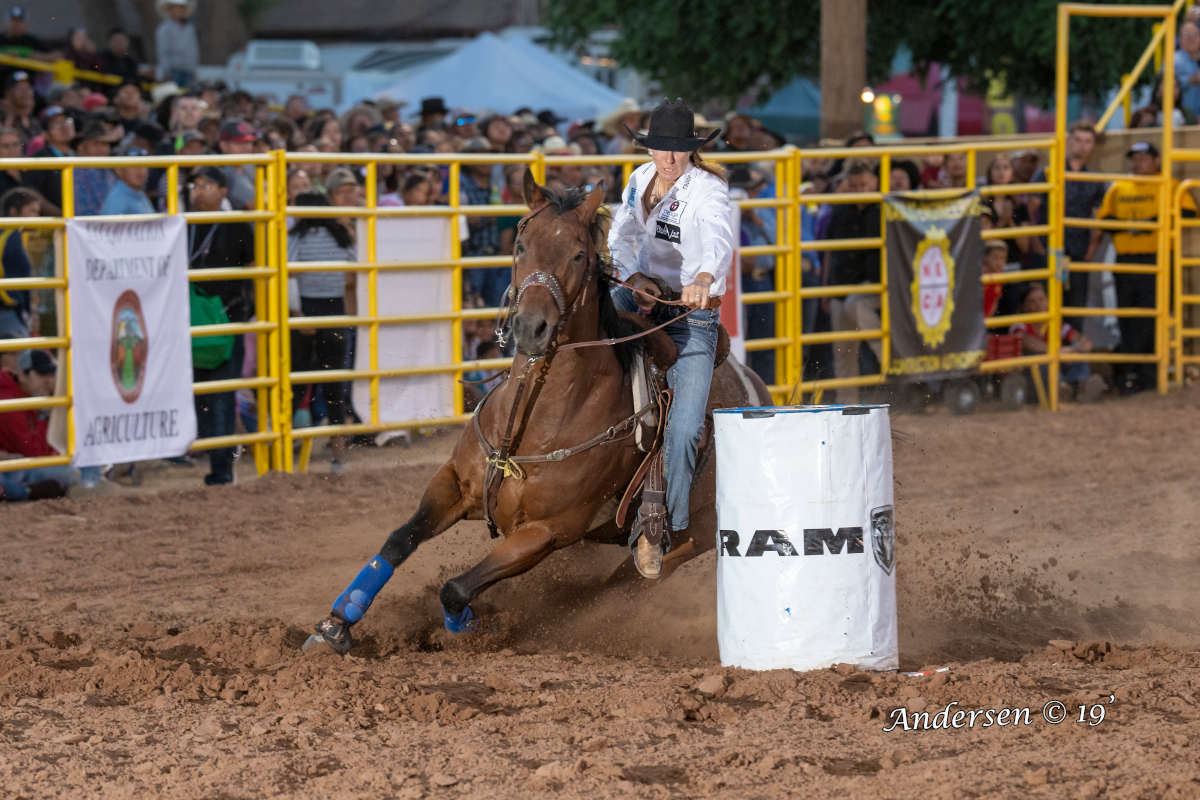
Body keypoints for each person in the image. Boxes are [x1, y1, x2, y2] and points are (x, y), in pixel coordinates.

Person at [608, 99, 733, 578]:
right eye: (661, 147)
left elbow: (718, 240)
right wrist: (633, 274)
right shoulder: (639, 180)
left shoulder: (708, 191)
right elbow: (620, 237)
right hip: (643, 295)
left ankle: (663, 527)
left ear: (691, 151)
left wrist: (703, 277)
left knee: (684, 430)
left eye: (677, 149)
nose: (668, 157)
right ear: (650, 148)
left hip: (690, 315)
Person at [1093, 141, 1198, 394]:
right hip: (1127, 259)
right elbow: (1104, 219)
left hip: (1157, 258)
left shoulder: (1169, 185)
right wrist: (1129, 226)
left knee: (1153, 317)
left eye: (1144, 158)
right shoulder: (1119, 187)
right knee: (1128, 316)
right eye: (1135, 158)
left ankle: (1148, 373)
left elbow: (1188, 213)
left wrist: (1151, 223)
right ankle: (1131, 371)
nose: (1138, 163)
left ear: (1156, 161)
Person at [188, 167, 255, 485]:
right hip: (190, 320)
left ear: (224, 191)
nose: (199, 190)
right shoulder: (183, 224)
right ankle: (212, 454)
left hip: (227, 318)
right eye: (195, 184)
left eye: (207, 185)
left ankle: (222, 467)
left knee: (222, 394)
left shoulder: (236, 224)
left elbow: (254, 266)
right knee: (200, 394)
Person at [288, 191, 355, 473]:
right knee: (334, 384)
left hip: (305, 309)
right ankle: (338, 454)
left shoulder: (296, 237)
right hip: (334, 309)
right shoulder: (340, 236)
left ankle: (286, 449)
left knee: (297, 381)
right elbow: (355, 268)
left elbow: (288, 272)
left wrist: (297, 313)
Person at [1035, 121, 1106, 332]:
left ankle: (1071, 349)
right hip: (1052, 249)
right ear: (1069, 141)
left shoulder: (1094, 179)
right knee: (1048, 303)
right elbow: (1033, 209)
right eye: (1078, 140)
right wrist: (1039, 246)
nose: (1082, 145)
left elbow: (1099, 218)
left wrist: (1091, 250)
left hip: (1078, 252)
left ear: (1093, 145)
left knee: (1075, 305)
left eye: (1088, 141)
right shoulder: (1048, 172)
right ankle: (1049, 348)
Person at [826, 158, 882, 402]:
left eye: (864, 185)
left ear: (874, 183)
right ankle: (847, 402)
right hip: (842, 285)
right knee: (842, 351)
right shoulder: (840, 211)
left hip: (873, 284)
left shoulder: (882, 209)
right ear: (847, 185)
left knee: (855, 305)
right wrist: (827, 289)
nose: (860, 190)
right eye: (855, 186)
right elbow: (830, 251)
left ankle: (889, 359)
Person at [0, 349, 76, 501]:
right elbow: (35, 453)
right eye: (42, 374)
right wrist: (44, 414)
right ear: (22, 375)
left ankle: (26, 491)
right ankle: (26, 491)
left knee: (75, 466)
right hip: (15, 470)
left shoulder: (26, 394)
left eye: (51, 374)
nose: (48, 380)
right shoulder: (10, 402)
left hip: (17, 466)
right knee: (73, 473)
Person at [0, 186, 38, 336]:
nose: (37, 218)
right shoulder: (12, 237)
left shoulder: (12, 236)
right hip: (8, 313)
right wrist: (27, 312)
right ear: (13, 212)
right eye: (32, 211)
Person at [155, 0, 199, 88]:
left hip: (189, 71)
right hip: (173, 72)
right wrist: (166, 71)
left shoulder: (189, 28)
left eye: (183, 7)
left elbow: (193, 50)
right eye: (177, 7)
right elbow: (163, 52)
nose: (181, 10)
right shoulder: (164, 28)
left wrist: (194, 70)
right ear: (170, 9)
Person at [99, 144, 153, 215]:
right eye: (133, 165)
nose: (140, 169)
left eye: (144, 164)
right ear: (119, 170)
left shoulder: (138, 192)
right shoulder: (117, 199)